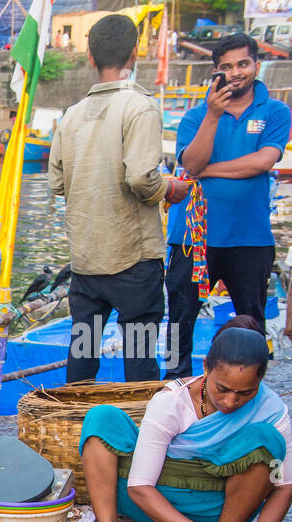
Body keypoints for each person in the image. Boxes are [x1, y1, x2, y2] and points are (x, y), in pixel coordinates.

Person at [65, 319, 292, 522]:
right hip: (150, 503)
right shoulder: (172, 402)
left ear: (261, 379)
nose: (231, 401)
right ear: (206, 366)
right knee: (102, 418)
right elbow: (140, 486)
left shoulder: (272, 410)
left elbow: (284, 486)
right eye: (222, 389)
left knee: (266, 437)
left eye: (245, 393)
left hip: (219, 511)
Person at [48, 14, 191, 384]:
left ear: (91, 59)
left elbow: (56, 183)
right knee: (140, 359)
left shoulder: (71, 116)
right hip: (133, 262)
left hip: (86, 262)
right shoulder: (140, 106)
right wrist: (170, 189)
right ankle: (143, 435)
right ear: (134, 53)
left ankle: (76, 428)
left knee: (82, 355)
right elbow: (142, 178)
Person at [164, 33, 289, 379]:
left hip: (250, 238)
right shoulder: (195, 117)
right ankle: (177, 388)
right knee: (180, 322)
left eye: (243, 64)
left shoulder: (275, 111)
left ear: (256, 66)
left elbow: (263, 161)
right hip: (193, 238)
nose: (236, 73)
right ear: (215, 72)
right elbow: (191, 163)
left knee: (251, 321)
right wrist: (213, 115)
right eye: (226, 67)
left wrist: (208, 172)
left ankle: (249, 388)